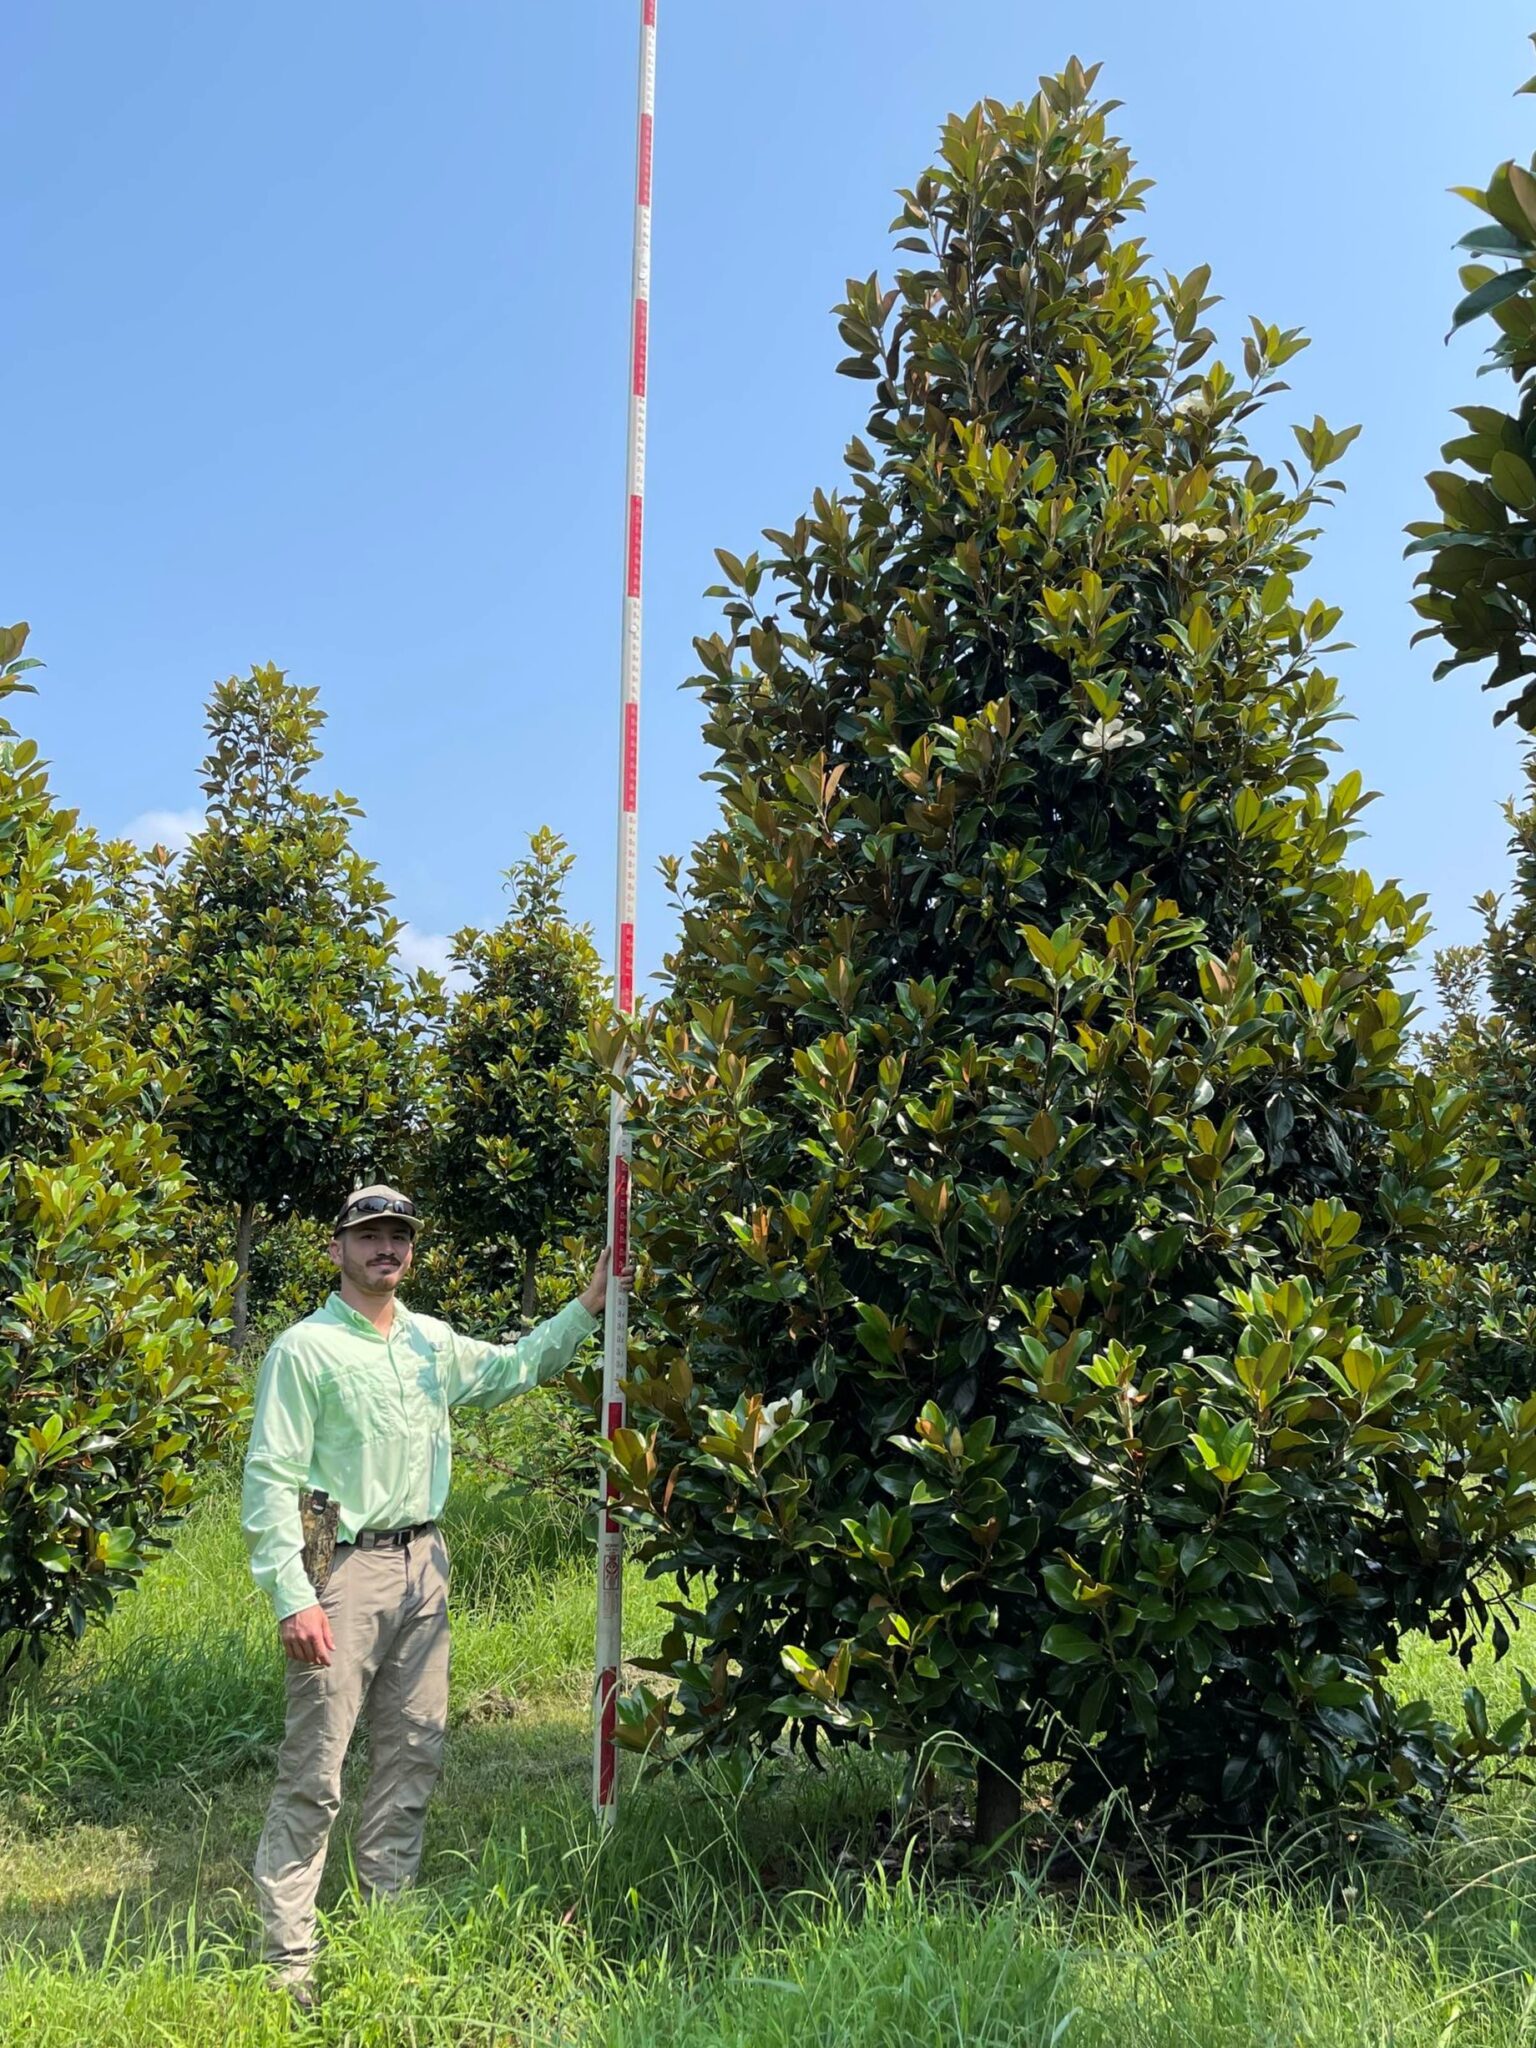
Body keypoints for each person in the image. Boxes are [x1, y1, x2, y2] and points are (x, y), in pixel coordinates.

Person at [241, 1182, 624, 2005]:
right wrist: (291, 1596)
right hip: (341, 1573)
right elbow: (270, 1477)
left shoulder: (429, 1344)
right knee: (317, 1768)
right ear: (338, 1247)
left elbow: (516, 1366)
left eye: (400, 1236)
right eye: (370, 1234)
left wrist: (588, 1305)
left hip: (425, 1567)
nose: (387, 1247)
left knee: (414, 1752)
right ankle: (287, 1965)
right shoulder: (302, 1351)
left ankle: (385, 1924)